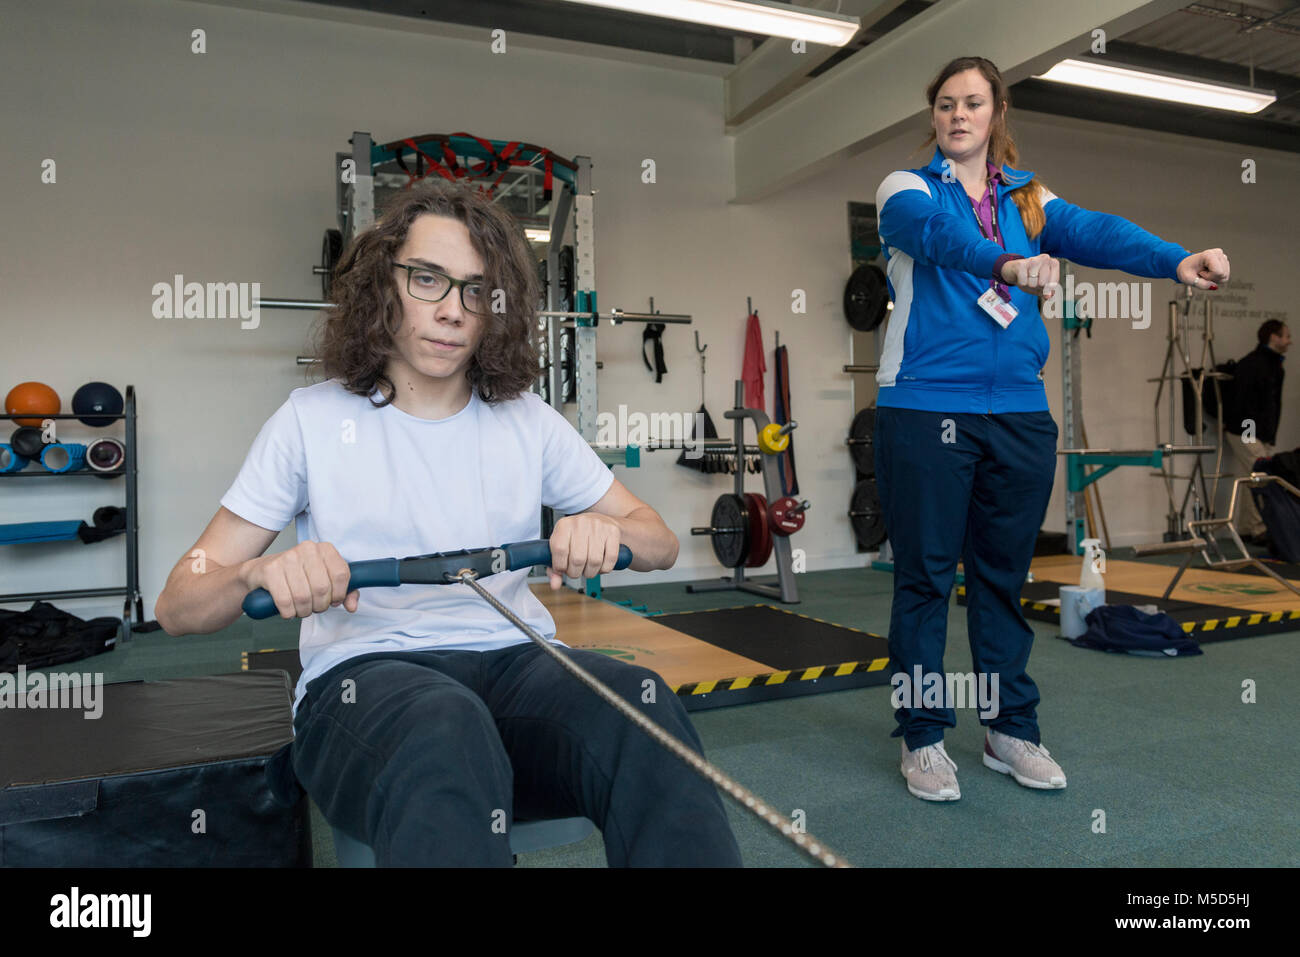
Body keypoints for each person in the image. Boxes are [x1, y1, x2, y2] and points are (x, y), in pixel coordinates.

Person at [154, 181, 743, 867]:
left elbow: (661, 542)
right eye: (427, 279)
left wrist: (604, 530)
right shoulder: (309, 421)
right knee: (445, 722)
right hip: (365, 680)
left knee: (643, 705)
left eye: (474, 289)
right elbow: (177, 603)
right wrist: (257, 570)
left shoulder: (527, 419)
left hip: (517, 666)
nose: (452, 310)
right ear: (383, 283)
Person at [873, 56, 1230, 802]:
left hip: (1020, 415)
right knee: (925, 581)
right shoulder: (905, 190)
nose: (958, 115)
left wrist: (1175, 260)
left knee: (1002, 580)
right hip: (925, 408)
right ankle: (924, 737)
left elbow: (1094, 231)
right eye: (945, 104)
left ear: (997, 111)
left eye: (973, 102)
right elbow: (941, 239)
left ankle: (1010, 729)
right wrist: (1007, 264)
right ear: (934, 116)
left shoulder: (1029, 198)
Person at [1223, 319, 1289, 542]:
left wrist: (1267, 436)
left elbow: (1271, 405)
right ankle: (1258, 527)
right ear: (1274, 337)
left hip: (1258, 431)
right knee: (1259, 475)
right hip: (1247, 430)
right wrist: (1252, 434)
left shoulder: (1273, 365)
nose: (1290, 341)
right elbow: (1244, 404)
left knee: (1249, 476)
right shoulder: (1253, 365)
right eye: (1286, 336)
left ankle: (1246, 527)